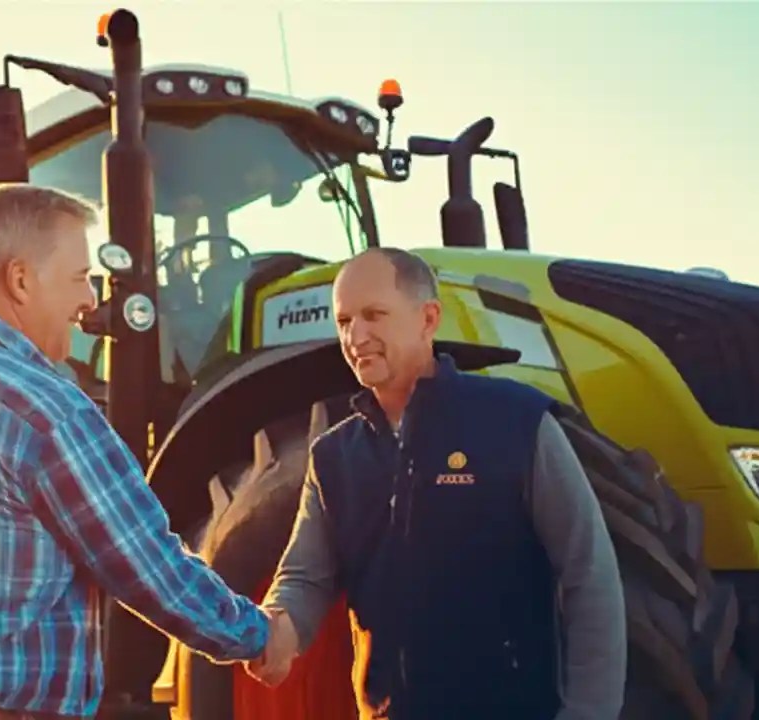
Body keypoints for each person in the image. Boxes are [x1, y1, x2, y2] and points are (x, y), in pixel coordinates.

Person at [0, 185, 293, 720]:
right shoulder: (43, 405)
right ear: (20, 279)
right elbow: (148, 564)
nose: (91, 301)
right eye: (79, 278)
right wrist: (259, 636)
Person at [246, 247, 627, 720]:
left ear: (428, 319)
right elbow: (305, 575)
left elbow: (588, 572)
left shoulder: (516, 422)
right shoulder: (333, 456)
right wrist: (276, 628)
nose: (355, 336)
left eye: (374, 315)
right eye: (344, 321)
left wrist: (589, 713)